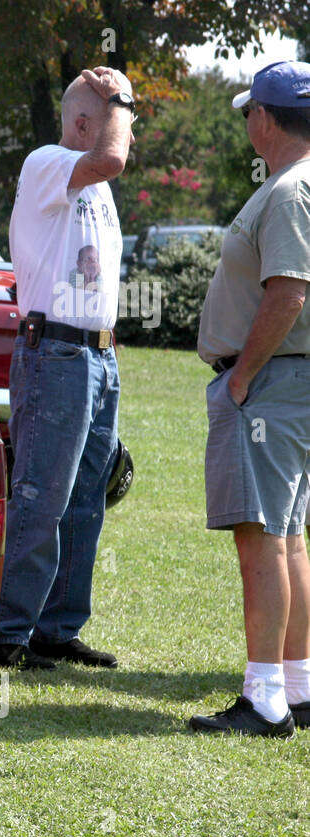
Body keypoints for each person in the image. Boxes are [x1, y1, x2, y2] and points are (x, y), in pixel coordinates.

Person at [0, 66, 135, 670]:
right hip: (57, 352)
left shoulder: (94, 188)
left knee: (85, 500)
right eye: (118, 121)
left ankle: (55, 628)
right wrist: (119, 96)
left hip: (95, 354)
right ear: (84, 123)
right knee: (41, 496)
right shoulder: (47, 161)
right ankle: (5, 633)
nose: (127, 132)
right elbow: (112, 160)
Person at [191, 60, 310, 737]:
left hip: (270, 384)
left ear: (265, 118)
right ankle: (296, 685)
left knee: (261, 539)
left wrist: (241, 378)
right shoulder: (294, 184)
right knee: (287, 536)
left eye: (248, 112)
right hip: (289, 385)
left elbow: (289, 292)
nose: (246, 122)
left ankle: (265, 698)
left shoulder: (290, 189)